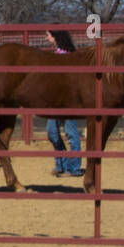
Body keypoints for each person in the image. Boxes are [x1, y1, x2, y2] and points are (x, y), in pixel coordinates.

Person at [44, 29, 83, 179]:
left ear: (55, 37)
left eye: (48, 35)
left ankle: (74, 168)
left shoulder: (67, 56)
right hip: (54, 101)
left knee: (71, 133)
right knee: (52, 133)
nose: (46, 38)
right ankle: (62, 164)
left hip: (67, 101)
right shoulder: (56, 56)